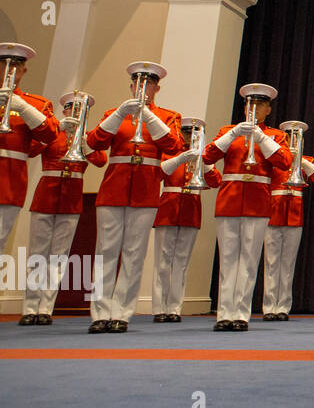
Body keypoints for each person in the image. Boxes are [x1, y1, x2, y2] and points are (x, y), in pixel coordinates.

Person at [86, 61, 183, 333]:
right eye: (138, 83)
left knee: (133, 253)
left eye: (148, 83)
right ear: (131, 86)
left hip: (145, 189)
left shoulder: (168, 116)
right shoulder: (114, 114)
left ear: (157, 87)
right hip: (113, 188)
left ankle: (121, 313)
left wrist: (148, 116)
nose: (143, 88)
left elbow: (173, 145)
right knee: (105, 252)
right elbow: (94, 143)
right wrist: (120, 113)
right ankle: (100, 312)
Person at [203, 83, 291, 332]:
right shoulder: (228, 131)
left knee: (249, 260)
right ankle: (224, 314)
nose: (254, 109)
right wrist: (232, 135)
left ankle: (240, 313)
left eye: (259, 105)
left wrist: (260, 137)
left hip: (257, 201)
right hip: (230, 199)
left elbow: (284, 162)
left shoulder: (275, 135)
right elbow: (207, 157)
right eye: (250, 104)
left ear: (268, 109)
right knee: (229, 259)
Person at [19, 92, 106, 325]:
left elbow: (100, 160)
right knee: (38, 254)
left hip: (71, 197)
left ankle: (46, 308)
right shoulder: (51, 133)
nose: (74, 114)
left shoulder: (86, 138)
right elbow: (30, 150)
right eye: (71, 109)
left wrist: (83, 140)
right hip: (46, 194)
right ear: (64, 111)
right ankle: (30, 308)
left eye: (80, 110)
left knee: (59, 256)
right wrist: (55, 131)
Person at [151, 117, 220, 323]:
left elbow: (216, 181)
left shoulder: (203, 156)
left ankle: (174, 308)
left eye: (194, 134)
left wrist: (203, 162)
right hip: (169, 206)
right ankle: (159, 308)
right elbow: (159, 173)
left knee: (181, 262)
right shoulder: (170, 152)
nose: (190, 137)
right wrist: (181, 158)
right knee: (163, 262)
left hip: (191, 207)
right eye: (187, 133)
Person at [262, 121, 314, 321]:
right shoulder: (274, 158)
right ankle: (269, 306)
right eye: (289, 135)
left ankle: (282, 307)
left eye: (296, 136)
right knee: (272, 262)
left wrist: (301, 160)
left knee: (288, 263)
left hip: (294, 214)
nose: (292, 140)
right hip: (274, 211)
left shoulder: (305, 159)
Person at [0, 44, 58, 256]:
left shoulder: (35, 104)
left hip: (9, 185)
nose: (10, 71)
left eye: (16, 66)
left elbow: (50, 135)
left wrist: (23, 109)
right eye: (4, 65)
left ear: (23, 71)